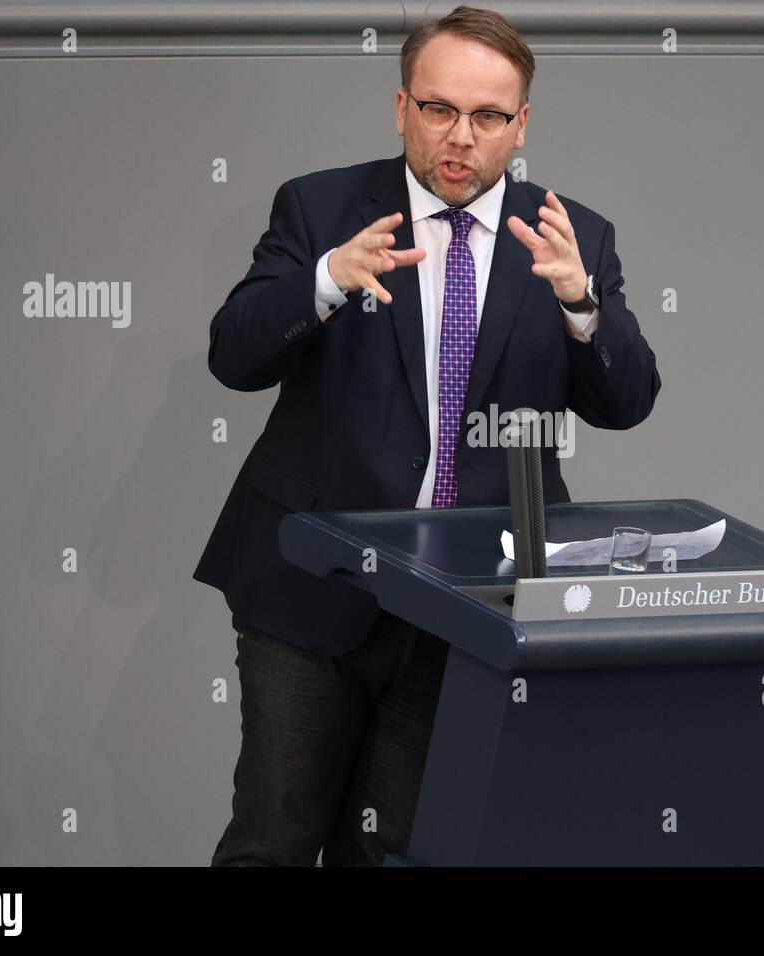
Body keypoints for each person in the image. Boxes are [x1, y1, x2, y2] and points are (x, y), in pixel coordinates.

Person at [195, 4, 661, 866]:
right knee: (275, 841)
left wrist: (580, 304)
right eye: (440, 109)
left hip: (467, 607)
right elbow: (234, 355)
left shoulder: (571, 235)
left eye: (487, 117)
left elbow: (627, 402)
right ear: (402, 106)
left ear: (520, 127)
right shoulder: (322, 205)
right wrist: (327, 279)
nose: (461, 137)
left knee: (398, 850)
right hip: (311, 584)